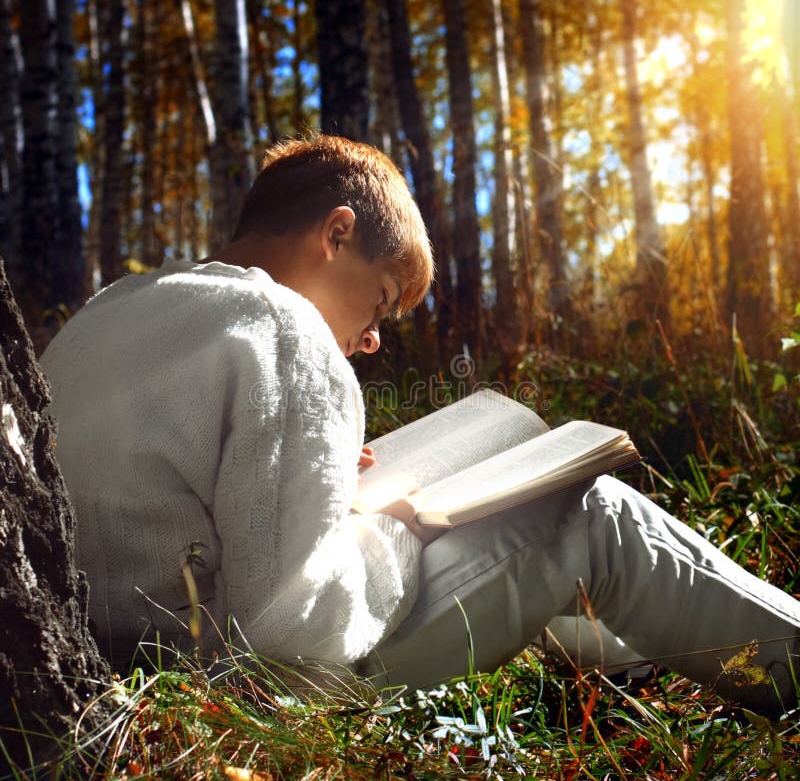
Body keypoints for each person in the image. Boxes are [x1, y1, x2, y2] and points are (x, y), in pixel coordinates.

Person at [41, 135, 799, 717]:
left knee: (508, 526)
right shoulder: (283, 327)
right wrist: (396, 531)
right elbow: (289, 626)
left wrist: (324, 494)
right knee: (589, 517)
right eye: (381, 301)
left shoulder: (111, 310)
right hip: (241, 686)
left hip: (123, 664)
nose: (374, 339)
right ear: (337, 234)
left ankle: (629, 671)